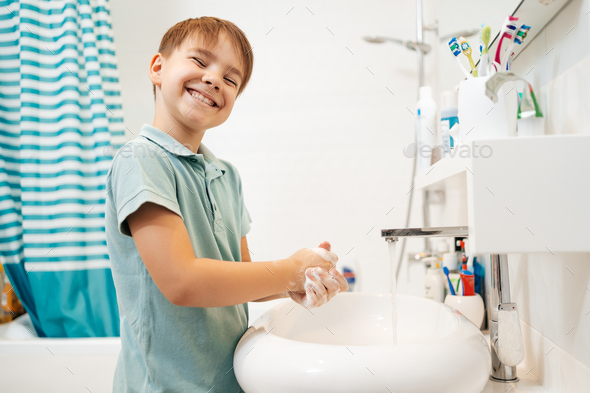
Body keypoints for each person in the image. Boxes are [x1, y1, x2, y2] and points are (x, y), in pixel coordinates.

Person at [105, 16, 348, 392]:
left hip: (228, 380)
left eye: (231, 79)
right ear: (158, 68)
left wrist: (298, 282)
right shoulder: (140, 160)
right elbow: (182, 282)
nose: (214, 78)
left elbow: (239, 273)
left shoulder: (226, 175)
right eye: (200, 62)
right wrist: (289, 269)